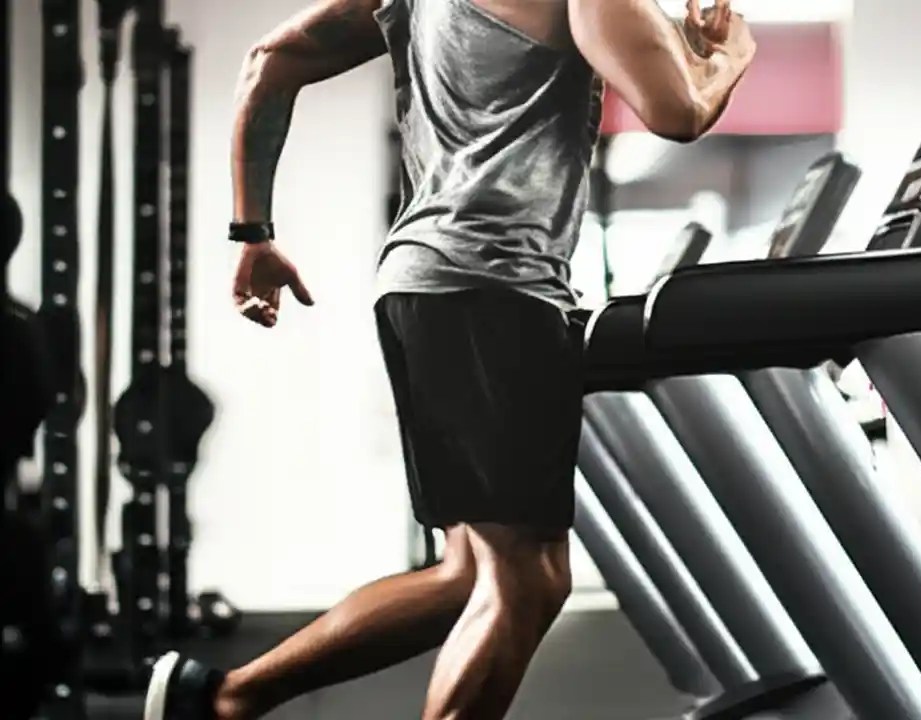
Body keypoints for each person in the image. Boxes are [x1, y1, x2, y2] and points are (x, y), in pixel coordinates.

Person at [143, 0, 755, 718]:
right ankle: (225, 699)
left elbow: (270, 63)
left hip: (427, 286)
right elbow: (678, 111)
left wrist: (253, 233)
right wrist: (729, 57)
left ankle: (221, 698)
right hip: (494, 294)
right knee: (527, 580)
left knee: (472, 575)